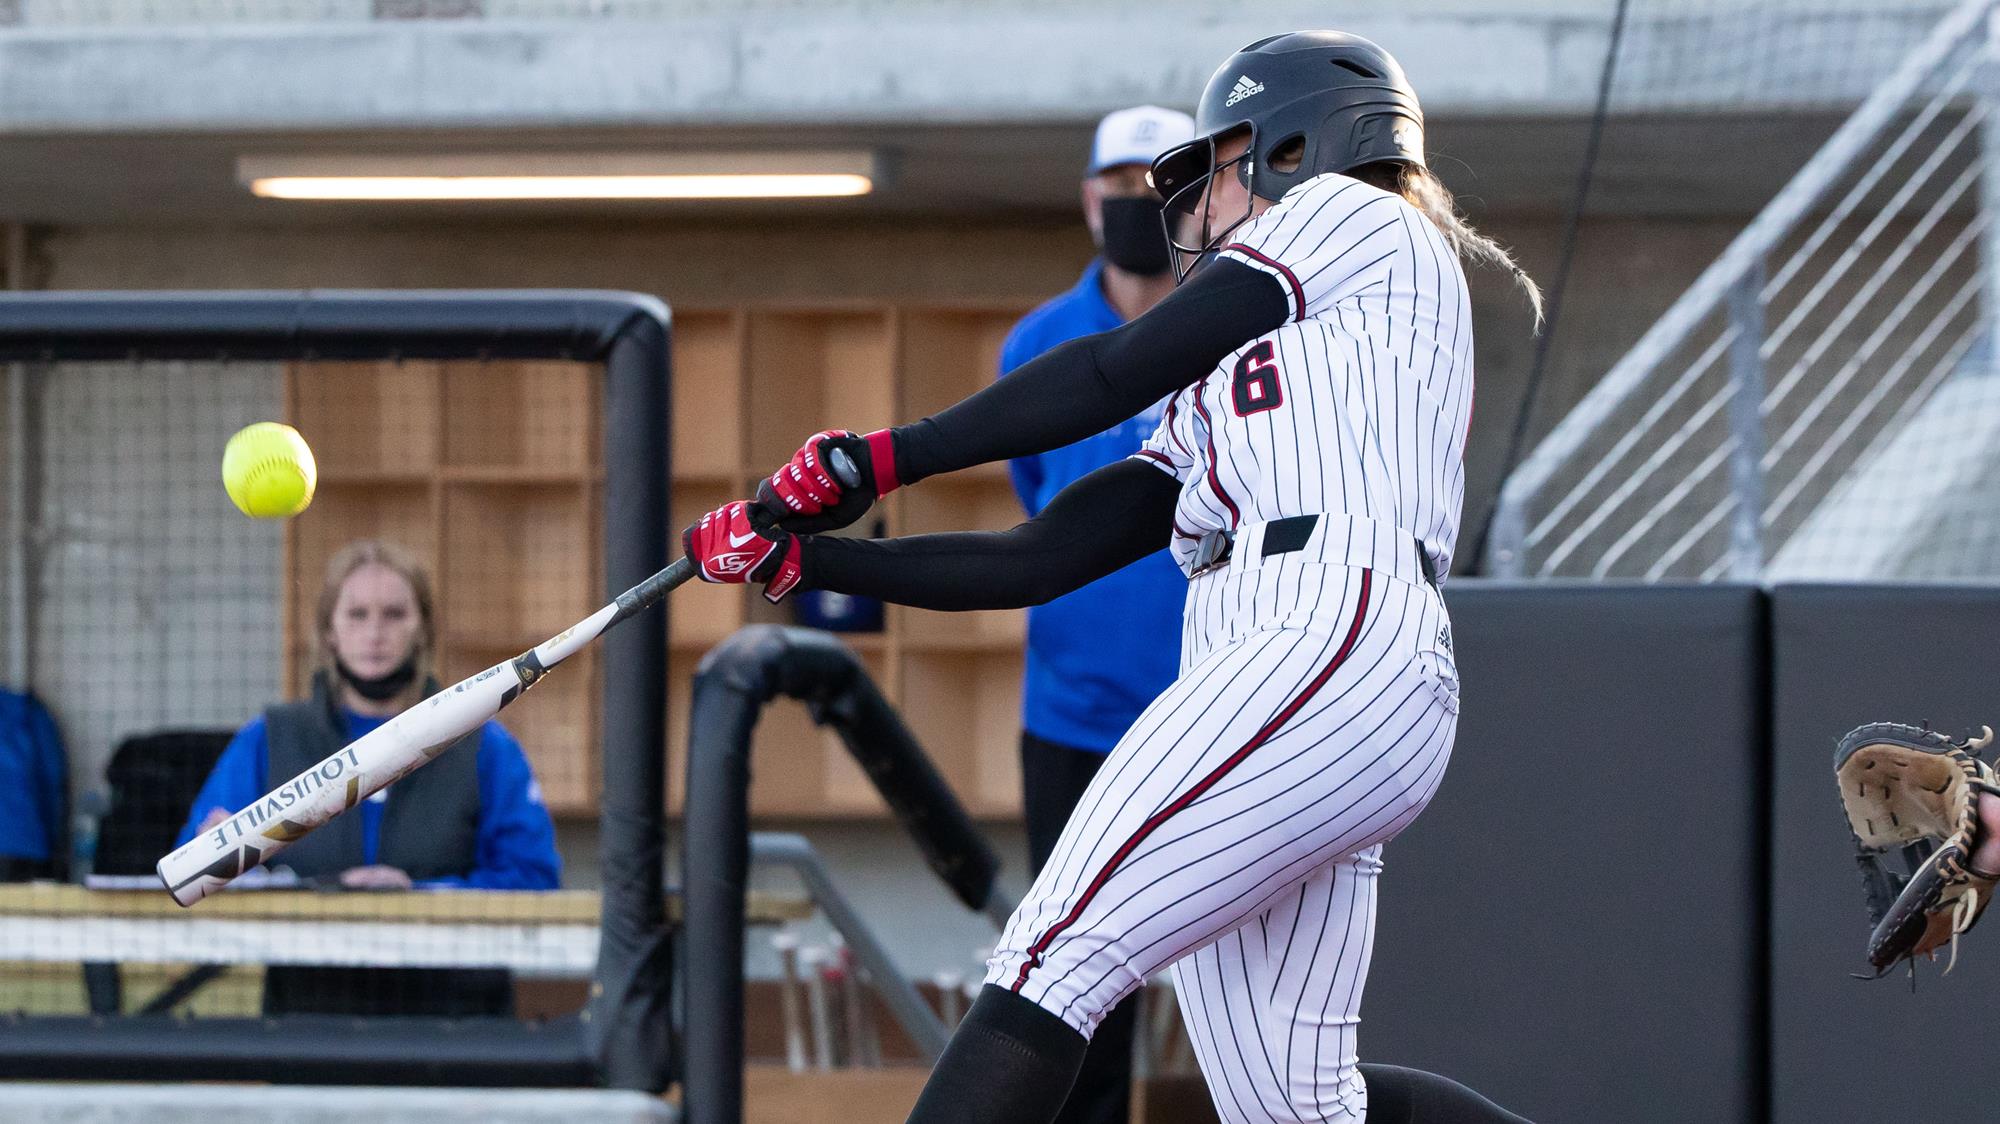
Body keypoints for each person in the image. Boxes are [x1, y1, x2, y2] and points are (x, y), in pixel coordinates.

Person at [688, 30, 1541, 1124]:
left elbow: (1105, 368)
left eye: (1218, 160)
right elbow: (1042, 555)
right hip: (1301, 656)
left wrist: (879, 455)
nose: (1188, 206)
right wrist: (811, 558)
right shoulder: (1239, 372)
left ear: (1292, 139)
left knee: (1050, 953)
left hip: (1326, 623)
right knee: (1293, 1105)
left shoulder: (1356, 215)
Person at [999, 103, 1194, 1124]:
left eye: (1161, 184)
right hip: (1073, 722)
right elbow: (1041, 503)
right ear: (1089, 199)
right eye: (1120, 186)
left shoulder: (1235, 328)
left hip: (1214, 712)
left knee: (1239, 974)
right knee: (1077, 979)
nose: (1139, 205)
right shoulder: (1036, 342)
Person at [178, 539, 561, 1015]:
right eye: (356, 615)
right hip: (311, 1022)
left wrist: (419, 896)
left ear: (422, 629)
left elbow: (535, 881)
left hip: (454, 1028)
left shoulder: (485, 746)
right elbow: (193, 867)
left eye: (394, 614)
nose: (375, 632)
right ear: (329, 632)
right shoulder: (271, 740)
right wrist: (219, 854)